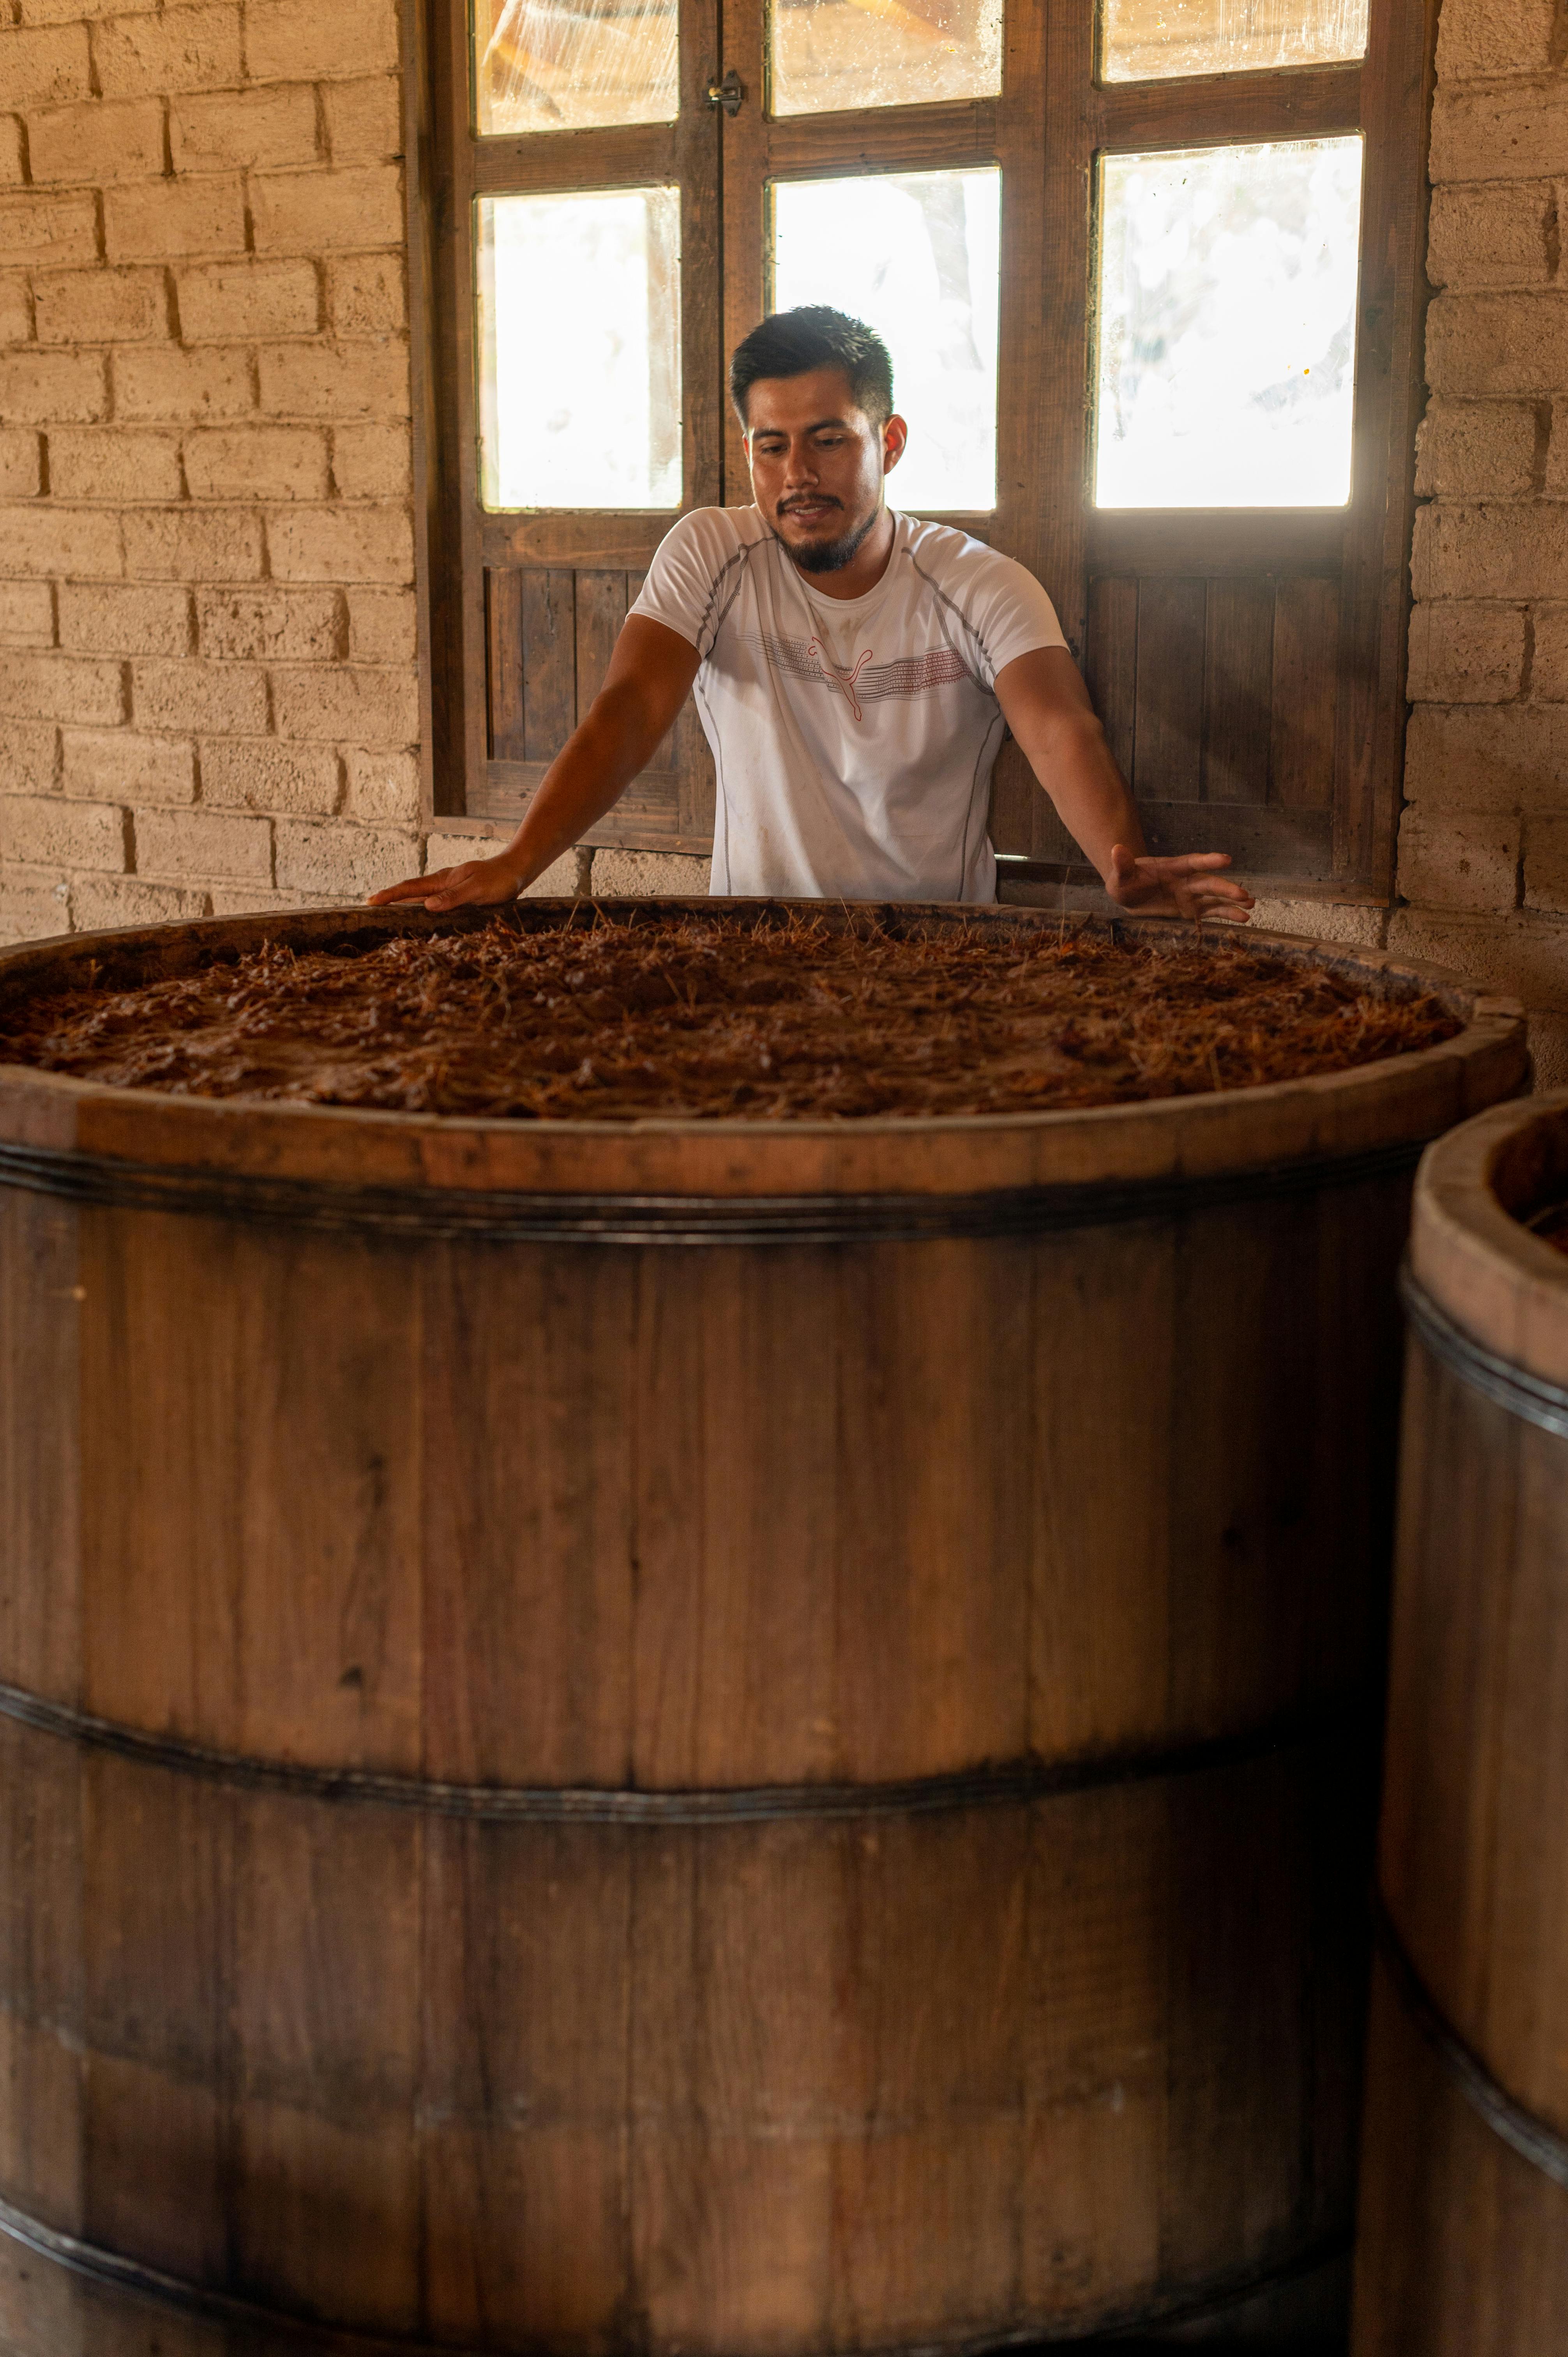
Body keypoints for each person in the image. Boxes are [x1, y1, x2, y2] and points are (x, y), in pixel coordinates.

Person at [370, 307, 1254, 924]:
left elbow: (1061, 730)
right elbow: (630, 708)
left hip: (937, 962)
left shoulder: (976, 583)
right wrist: (519, 861)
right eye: (771, 444)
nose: (798, 472)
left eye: (829, 439)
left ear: (889, 443)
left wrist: (1118, 861)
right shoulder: (709, 554)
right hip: (751, 952)